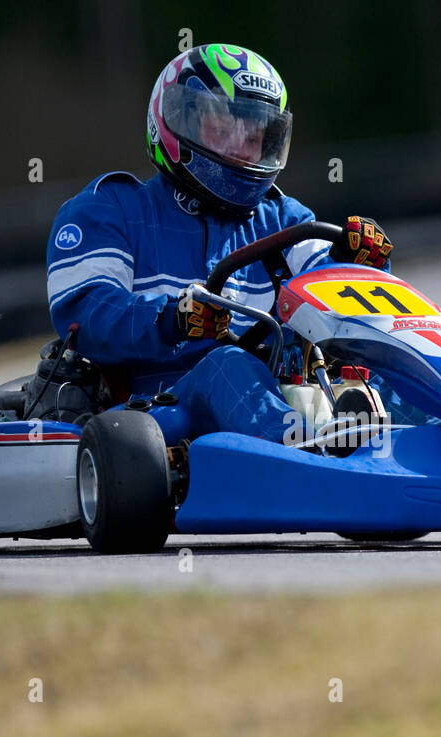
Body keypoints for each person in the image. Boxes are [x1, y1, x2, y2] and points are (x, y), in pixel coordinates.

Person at [45, 43, 393, 443]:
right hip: (154, 414)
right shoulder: (110, 210)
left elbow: (328, 286)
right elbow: (87, 312)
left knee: (387, 368)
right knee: (227, 363)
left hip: (281, 398)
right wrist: (171, 319)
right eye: (224, 127)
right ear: (178, 119)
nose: (239, 145)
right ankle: (315, 462)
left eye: (254, 133)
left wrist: (360, 267)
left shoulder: (283, 219)